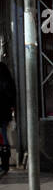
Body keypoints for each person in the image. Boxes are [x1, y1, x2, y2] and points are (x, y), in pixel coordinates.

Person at [0, 48, 15, 179]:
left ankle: (4, 165)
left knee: (3, 136)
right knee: (3, 135)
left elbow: (8, 91)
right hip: (4, 111)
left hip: (1, 111)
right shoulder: (4, 71)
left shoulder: (2, 72)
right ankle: (5, 165)